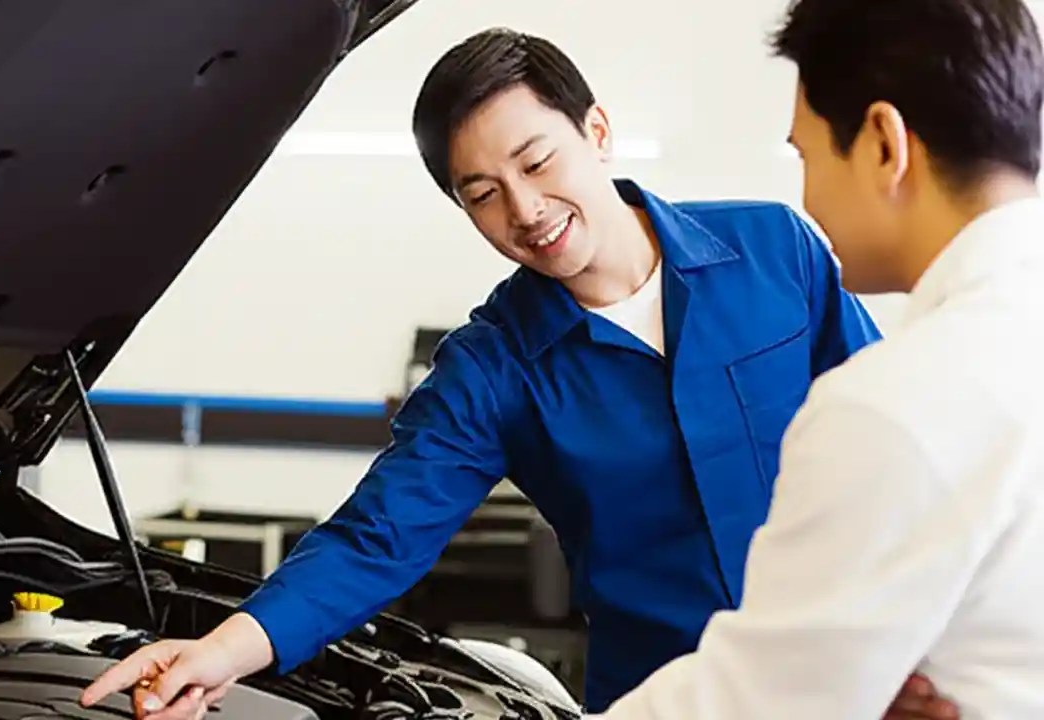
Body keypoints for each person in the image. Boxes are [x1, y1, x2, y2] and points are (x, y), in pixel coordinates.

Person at [78, 26, 960, 720]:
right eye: (483, 193)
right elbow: (377, 537)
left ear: (597, 131)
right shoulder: (492, 369)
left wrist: (936, 632)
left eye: (537, 162)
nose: (526, 210)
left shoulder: (772, 249)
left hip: (861, 679)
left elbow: (894, 441)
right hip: (664, 701)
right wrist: (221, 651)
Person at [586, 0, 1044, 717]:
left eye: (805, 153)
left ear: (884, 143)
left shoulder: (895, 401)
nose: (806, 194)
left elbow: (752, 704)